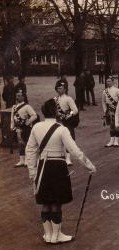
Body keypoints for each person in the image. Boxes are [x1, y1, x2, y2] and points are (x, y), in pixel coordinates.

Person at [25, 98, 96, 245]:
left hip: (42, 167)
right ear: (56, 112)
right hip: (57, 167)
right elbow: (75, 151)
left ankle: (48, 234)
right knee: (56, 202)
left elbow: (30, 151)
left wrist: (32, 172)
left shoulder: (36, 127)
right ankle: (57, 236)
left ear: (43, 112)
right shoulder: (62, 129)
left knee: (45, 201)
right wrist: (89, 166)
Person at [54, 80, 79, 166]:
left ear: (65, 89)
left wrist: (67, 116)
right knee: (59, 140)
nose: (59, 90)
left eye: (61, 88)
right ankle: (61, 157)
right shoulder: (55, 99)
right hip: (59, 122)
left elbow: (75, 110)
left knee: (68, 139)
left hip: (67, 123)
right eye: (58, 88)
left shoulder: (69, 99)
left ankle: (68, 158)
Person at [10, 89, 38, 167]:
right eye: (16, 96)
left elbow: (34, 115)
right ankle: (22, 160)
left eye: (19, 96)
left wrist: (28, 122)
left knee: (27, 144)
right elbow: (12, 118)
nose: (17, 98)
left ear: (23, 97)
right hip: (18, 128)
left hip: (26, 128)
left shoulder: (27, 106)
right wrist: (12, 127)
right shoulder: (14, 107)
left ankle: (27, 160)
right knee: (20, 144)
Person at [102, 77, 119, 147]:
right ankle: (111, 140)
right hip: (109, 110)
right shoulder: (105, 91)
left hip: (117, 110)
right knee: (111, 126)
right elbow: (103, 102)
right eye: (107, 81)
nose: (108, 83)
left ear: (113, 82)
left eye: (109, 81)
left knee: (117, 125)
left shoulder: (117, 90)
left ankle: (116, 140)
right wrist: (105, 110)